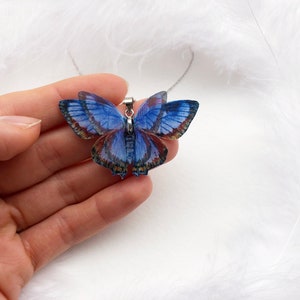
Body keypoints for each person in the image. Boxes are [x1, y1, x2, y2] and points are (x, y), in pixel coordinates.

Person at [0, 74, 178, 300]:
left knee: (124, 169)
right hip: (141, 143)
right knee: (133, 169)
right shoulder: (141, 115)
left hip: (115, 143)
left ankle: (123, 168)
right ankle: (133, 167)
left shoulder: (113, 115)